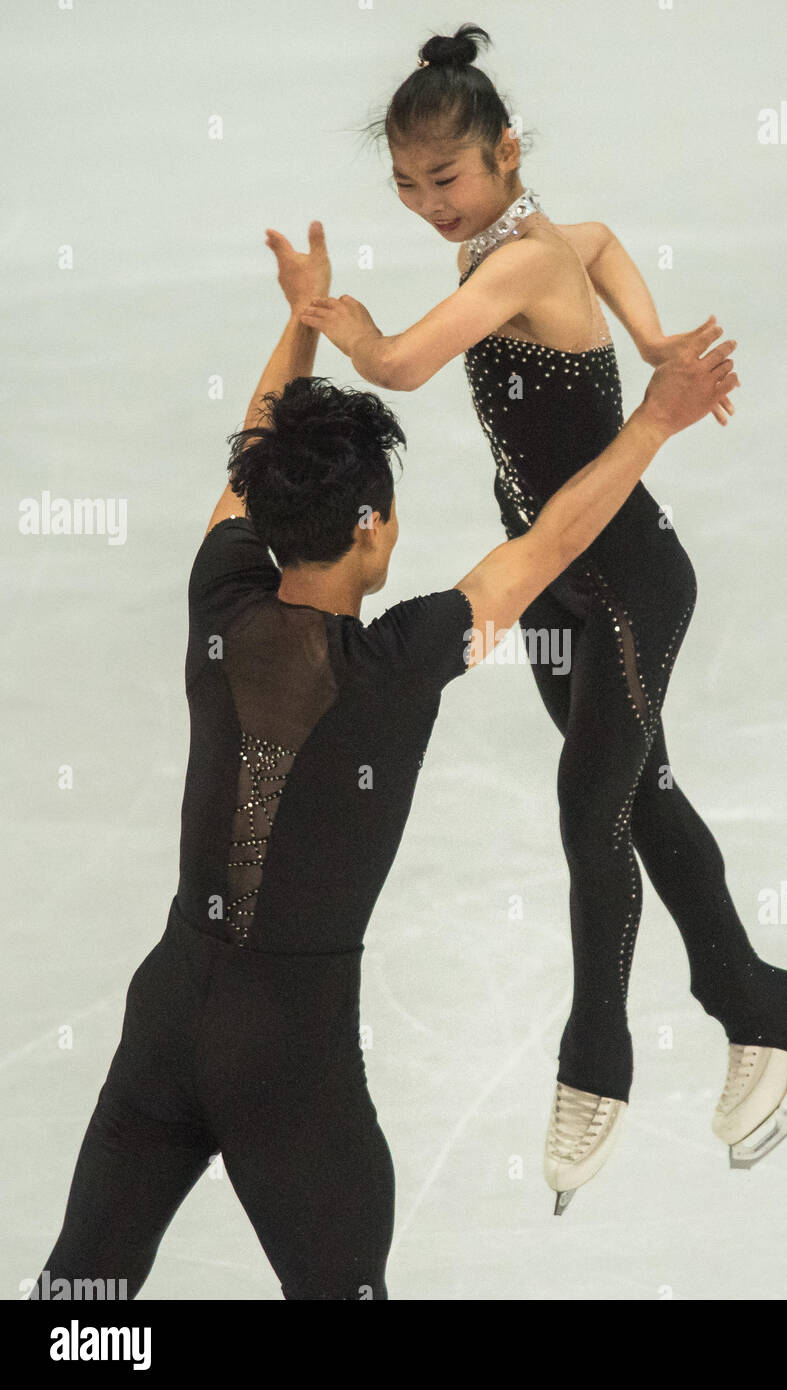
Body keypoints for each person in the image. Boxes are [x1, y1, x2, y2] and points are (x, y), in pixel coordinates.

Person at [31, 216, 736, 1299]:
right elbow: (547, 543)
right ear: (376, 530)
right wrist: (652, 422)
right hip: (291, 1059)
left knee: (79, 1301)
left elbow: (251, 448)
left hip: (168, 1013)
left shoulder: (219, 593)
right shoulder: (396, 662)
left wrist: (301, 321)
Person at [300, 23, 787, 1211]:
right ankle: (772, 1011)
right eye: (405, 187)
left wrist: (334, 321)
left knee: (591, 806)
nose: (426, 206)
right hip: (564, 581)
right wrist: (653, 336)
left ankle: (595, 1064)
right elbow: (600, 240)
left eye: (444, 180)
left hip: (624, 581)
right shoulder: (529, 236)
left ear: (505, 154)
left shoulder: (513, 263)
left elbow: (400, 369)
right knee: (638, 795)